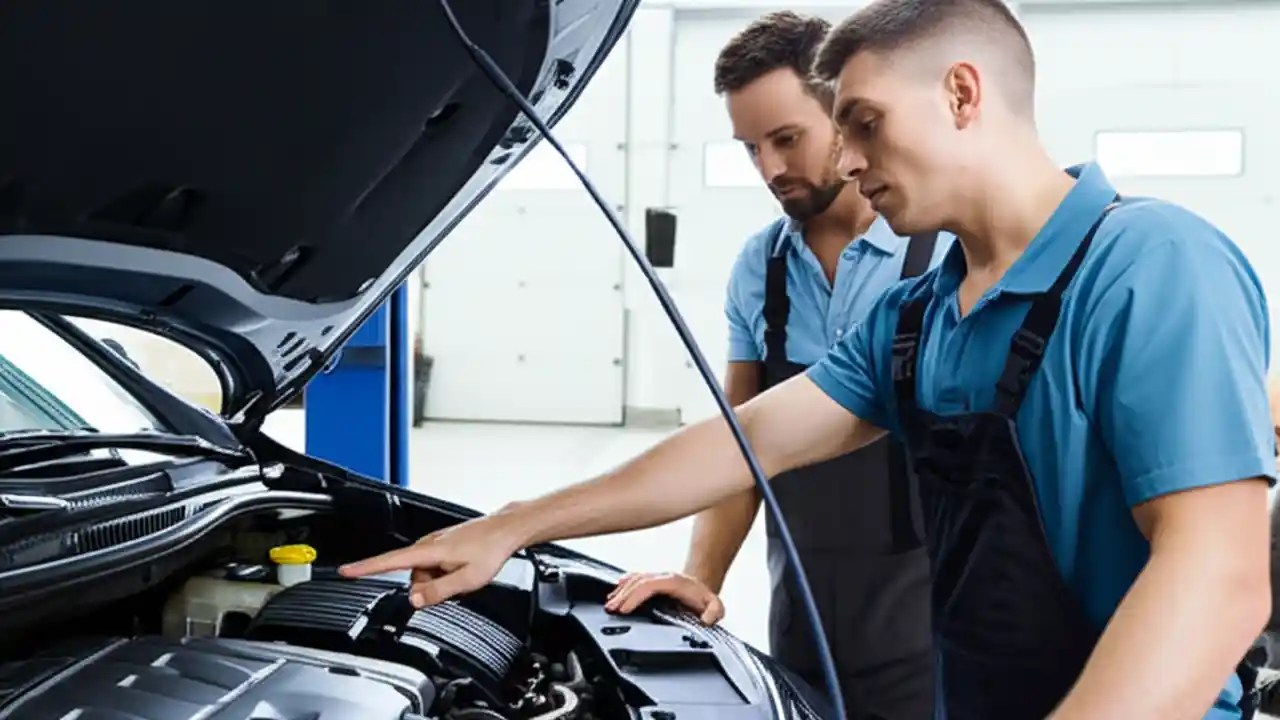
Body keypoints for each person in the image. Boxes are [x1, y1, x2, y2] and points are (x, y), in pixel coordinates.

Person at [338, 1, 1275, 717]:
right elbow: (744, 442)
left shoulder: (1151, 265)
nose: (849, 156)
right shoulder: (919, 316)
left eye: (863, 121)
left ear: (961, 93)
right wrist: (513, 523)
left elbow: (1219, 576)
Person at [602, 12, 949, 720]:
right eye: (749, 147)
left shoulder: (944, 253)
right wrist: (700, 578)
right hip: (807, 619)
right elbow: (742, 445)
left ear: (846, 117)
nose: (769, 169)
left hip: (939, 627)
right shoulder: (761, 267)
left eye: (786, 139)